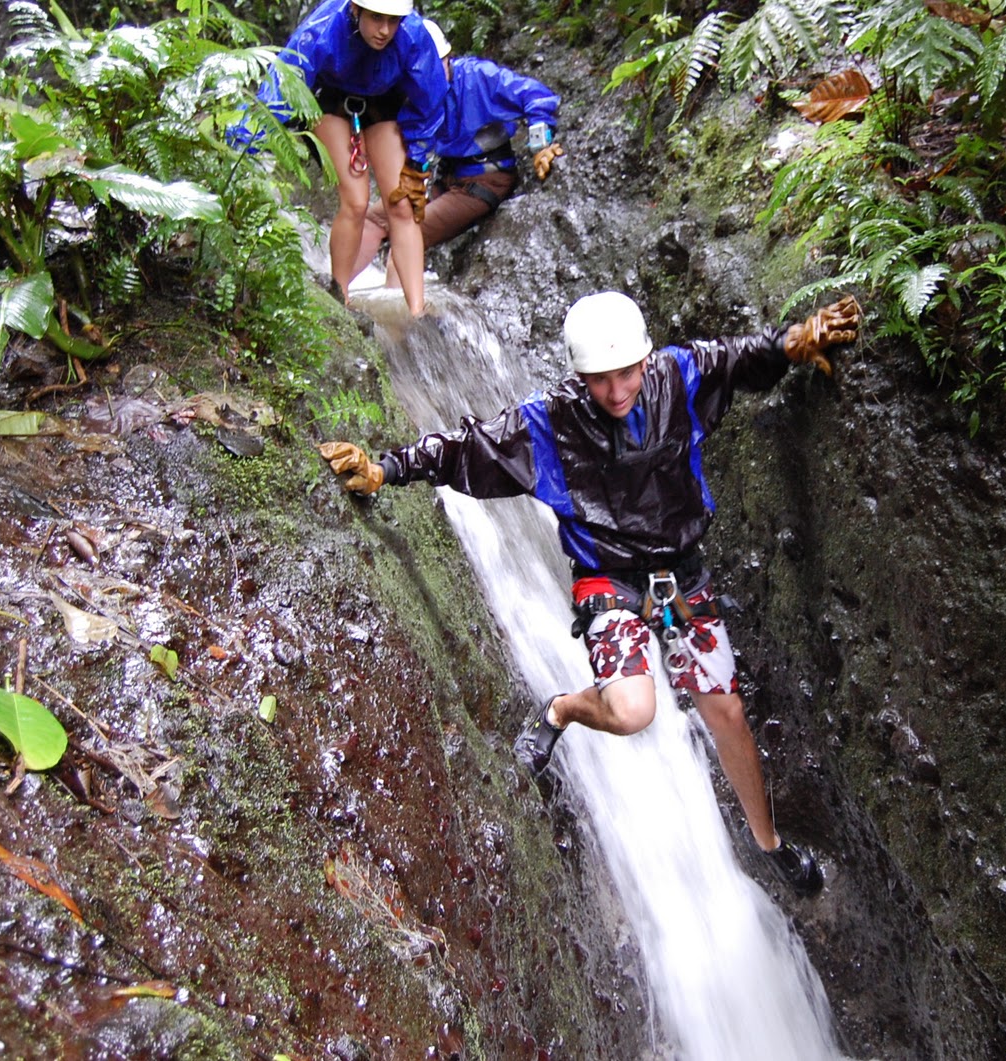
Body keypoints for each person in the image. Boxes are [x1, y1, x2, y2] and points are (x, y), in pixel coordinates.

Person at [317, 291, 862, 895]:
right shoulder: (552, 423)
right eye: (600, 379)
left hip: (679, 571)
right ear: (580, 375)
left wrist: (794, 341)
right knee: (634, 710)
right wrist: (386, 470)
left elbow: (741, 358)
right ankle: (563, 709)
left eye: (628, 373)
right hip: (607, 578)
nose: (617, 389)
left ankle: (770, 845)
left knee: (727, 711)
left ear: (646, 361)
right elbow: (469, 448)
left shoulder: (677, 376)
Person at [228, 0, 446, 316]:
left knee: (403, 204)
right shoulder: (324, 28)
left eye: (392, 21)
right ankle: (339, 296)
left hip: (384, 102)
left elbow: (430, 101)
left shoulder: (412, 34)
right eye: (376, 18)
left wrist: (418, 162)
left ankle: (417, 309)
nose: (384, 30)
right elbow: (282, 87)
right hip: (330, 100)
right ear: (356, 10)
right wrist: (243, 145)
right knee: (356, 200)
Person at [350, 21, 563, 287]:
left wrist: (540, 144)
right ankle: (339, 291)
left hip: (485, 179)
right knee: (374, 218)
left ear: (448, 59)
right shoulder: (409, 93)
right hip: (445, 177)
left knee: (408, 236)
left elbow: (536, 96)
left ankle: (398, 321)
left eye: (434, 66)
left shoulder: (479, 78)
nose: (428, 79)